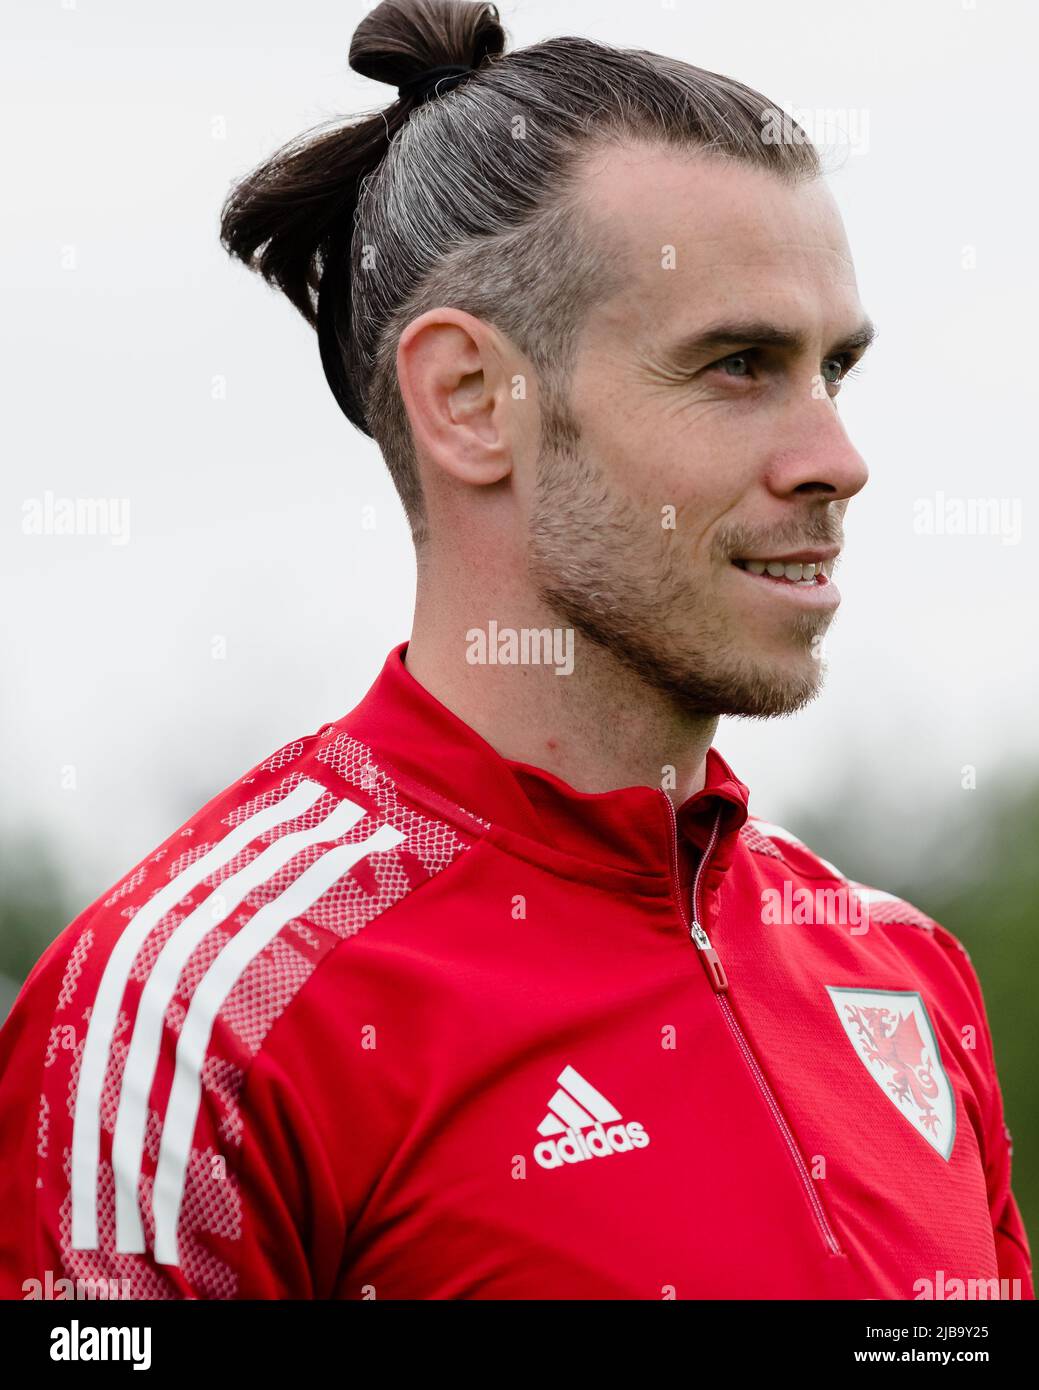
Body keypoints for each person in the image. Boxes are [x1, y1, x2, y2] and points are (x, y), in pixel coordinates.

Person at [0, 0, 1031, 1301]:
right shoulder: (190, 1006)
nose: (837, 459)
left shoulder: (903, 974)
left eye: (838, 369)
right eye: (738, 364)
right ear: (473, 401)